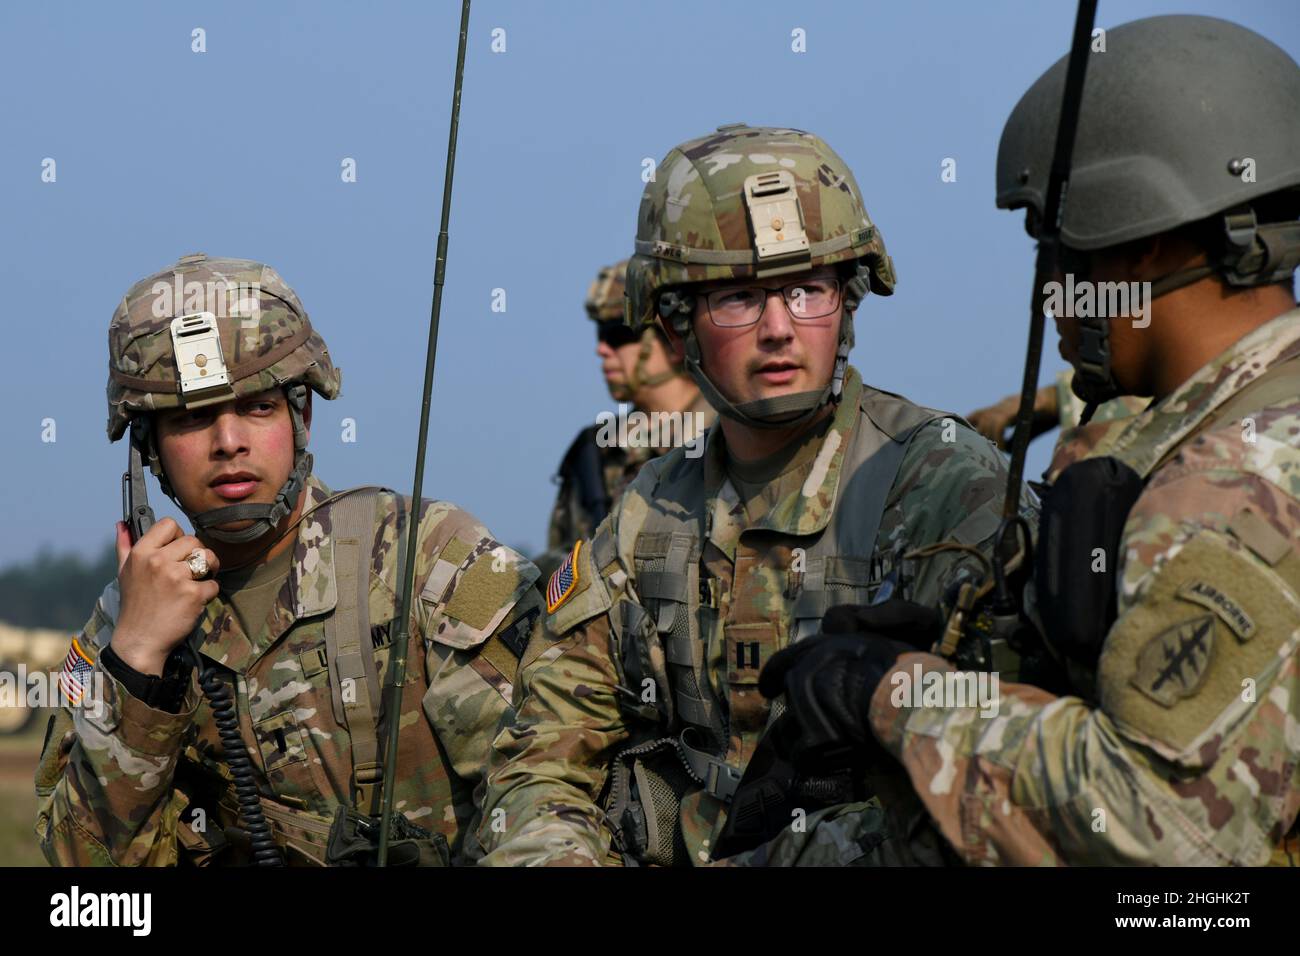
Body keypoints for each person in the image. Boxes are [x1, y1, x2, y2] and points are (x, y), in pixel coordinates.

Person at [762, 15, 1300, 866]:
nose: (1049, 293)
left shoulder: (1235, 480)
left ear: (1142, 240)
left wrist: (888, 694)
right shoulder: (1227, 429)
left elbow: (1169, 831)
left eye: (1055, 246)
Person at [477, 125, 1032, 866]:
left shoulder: (943, 485)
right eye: (739, 298)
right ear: (681, 325)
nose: (778, 330)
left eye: (806, 291)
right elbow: (542, 754)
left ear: (848, 303)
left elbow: (1007, 778)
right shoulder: (651, 510)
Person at [35, 254, 543, 866]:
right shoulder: (119, 633)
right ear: (148, 448)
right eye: (193, 418)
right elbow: (84, 883)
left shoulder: (425, 560)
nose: (229, 443)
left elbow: (542, 792)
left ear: (301, 417)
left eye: (257, 408)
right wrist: (141, 661)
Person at [537, 260, 713, 585]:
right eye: (599, 335)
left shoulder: (732, 441)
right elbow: (564, 575)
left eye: (618, 334)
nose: (602, 349)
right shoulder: (597, 452)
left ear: (675, 338)